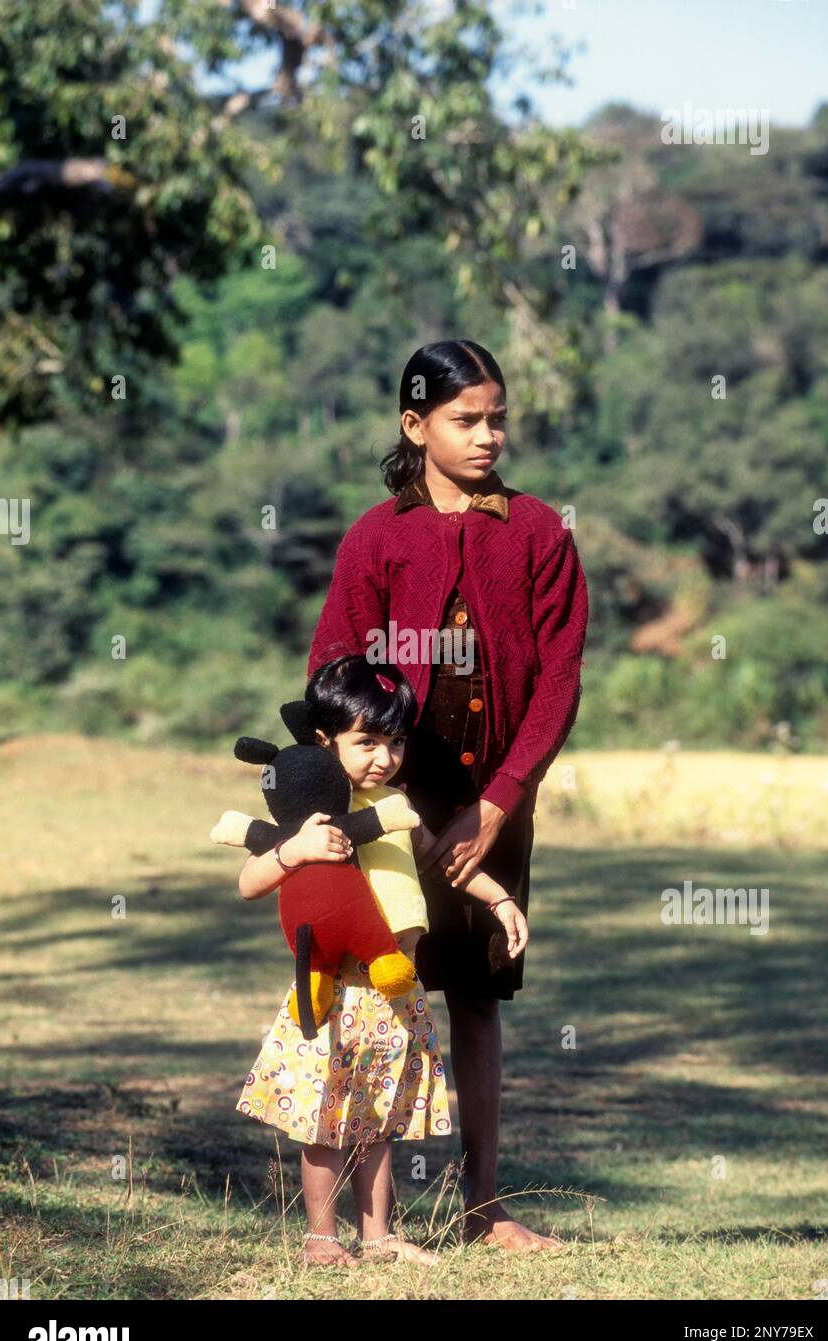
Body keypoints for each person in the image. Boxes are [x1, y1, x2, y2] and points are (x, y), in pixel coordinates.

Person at [308, 339, 589, 1252]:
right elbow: (331, 673)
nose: (487, 435)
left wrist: (499, 802)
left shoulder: (539, 533)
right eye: (466, 419)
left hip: (495, 810)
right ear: (414, 425)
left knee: (476, 998)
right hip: (391, 814)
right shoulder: (375, 539)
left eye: (497, 417)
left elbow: (558, 682)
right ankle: (361, 1221)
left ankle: (482, 1208)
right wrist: (386, 804)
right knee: (373, 1002)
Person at [235, 655, 529, 1265]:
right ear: (325, 741)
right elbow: (249, 880)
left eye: (394, 742)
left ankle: (380, 1235)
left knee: (380, 1116)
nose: (383, 757)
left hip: (396, 995)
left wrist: (499, 899)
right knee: (321, 1114)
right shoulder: (312, 816)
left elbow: (449, 866)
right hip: (333, 992)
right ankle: (321, 1237)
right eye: (365, 741)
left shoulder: (397, 808)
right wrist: (296, 850)